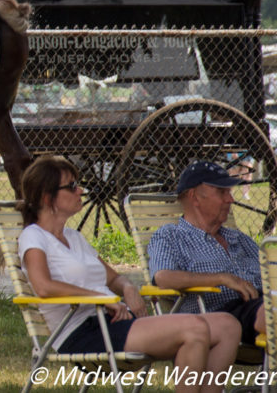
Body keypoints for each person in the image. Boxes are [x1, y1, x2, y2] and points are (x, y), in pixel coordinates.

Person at [19, 155, 239, 393]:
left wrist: (128, 289)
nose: (80, 190)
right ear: (46, 197)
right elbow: (43, 286)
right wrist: (103, 300)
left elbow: (113, 278)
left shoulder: (74, 238)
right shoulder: (33, 236)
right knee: (194, 328)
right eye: (72, 186)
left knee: (227, 325)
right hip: (83, 332)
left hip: (112, 321)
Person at [147, 160, 266, 346]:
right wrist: (222, 278)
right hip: (223, 316)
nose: (231, 199)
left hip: (263, 303)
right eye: (222, 192)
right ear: (194, 197)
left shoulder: (239, 238)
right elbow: (163, 277)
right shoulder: (171, 236)